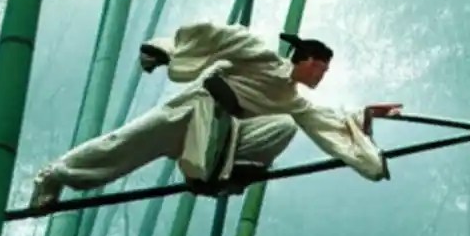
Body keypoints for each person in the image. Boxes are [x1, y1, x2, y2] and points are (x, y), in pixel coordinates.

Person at [31, 24, 403, 209]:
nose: (322, 75)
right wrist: (164, 51)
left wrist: (366, 114)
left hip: (220, 138)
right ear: (304, 60)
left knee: (285, 126)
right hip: (190, 112)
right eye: (320, 67)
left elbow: (332, 123)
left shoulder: (294, 100)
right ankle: (54, 175)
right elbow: (214, 36)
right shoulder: (259, 56)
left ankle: (219, 174)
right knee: (120, 148)